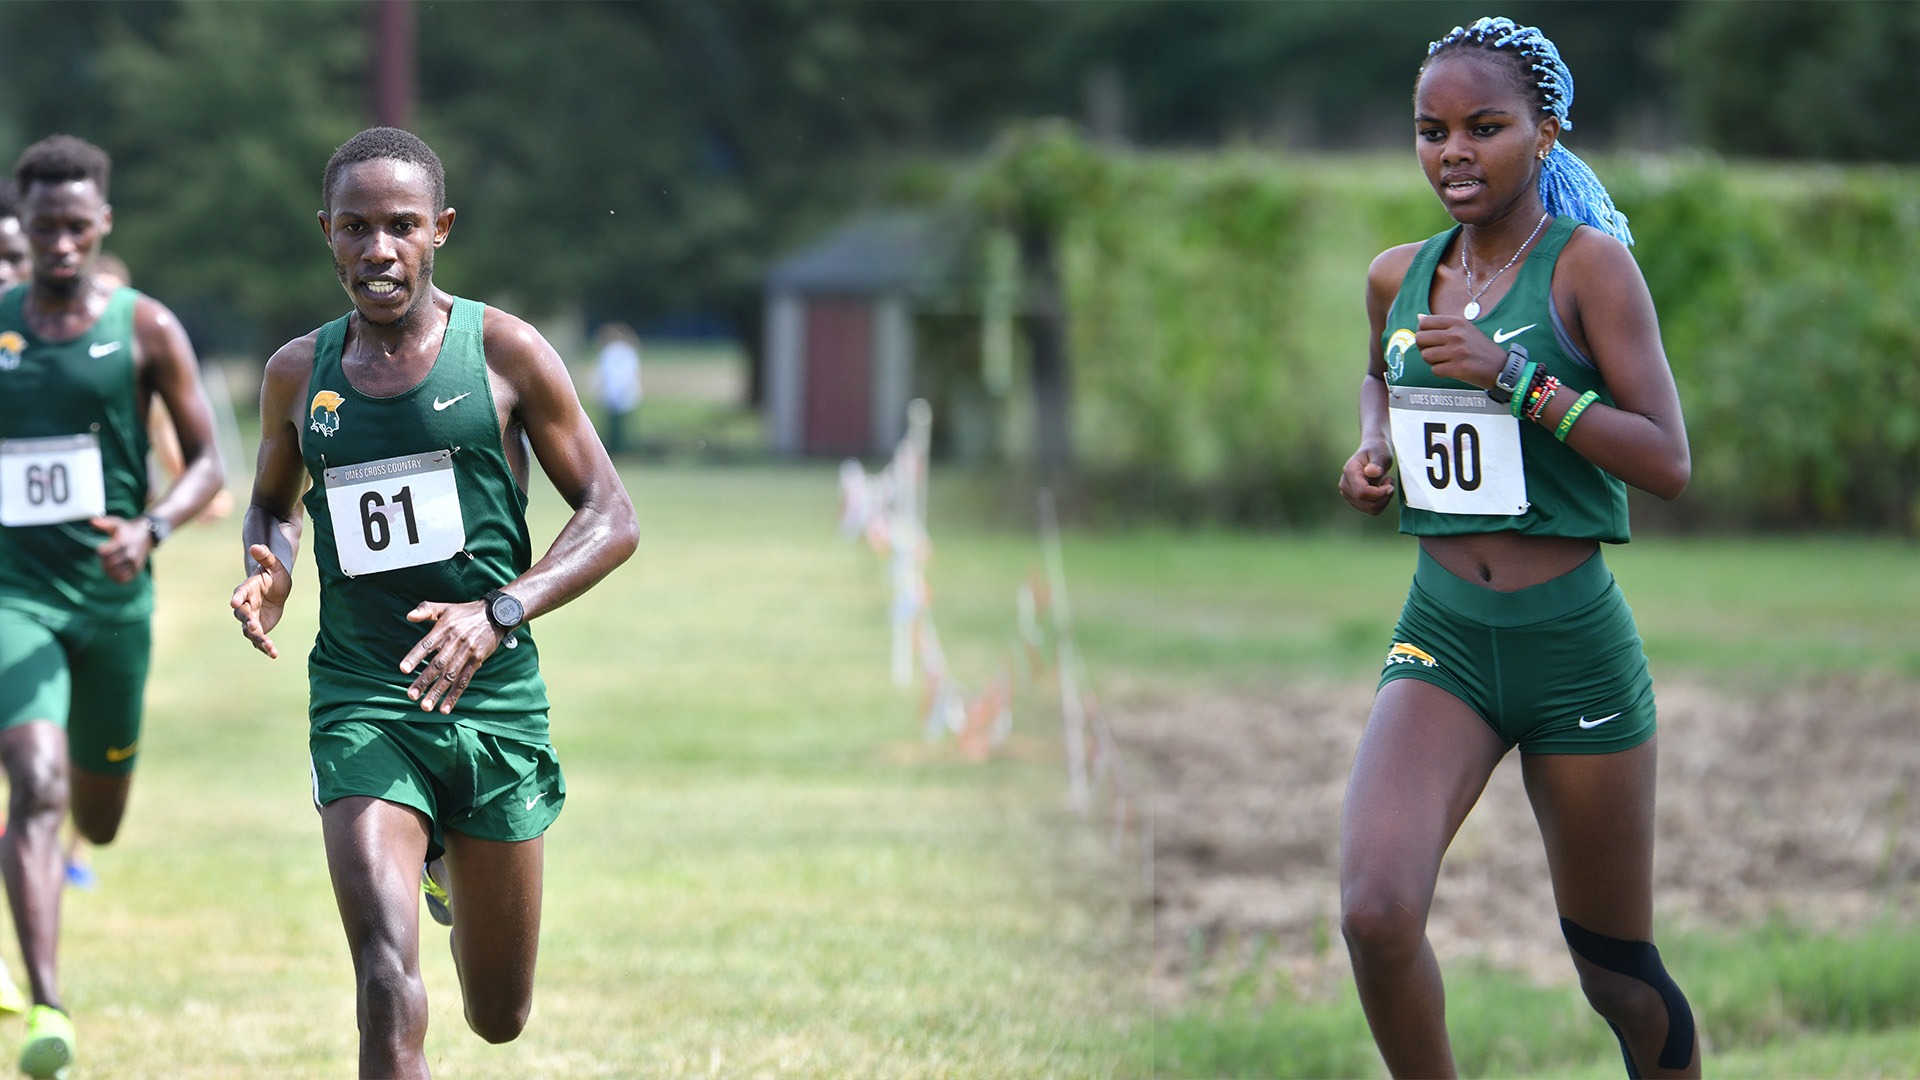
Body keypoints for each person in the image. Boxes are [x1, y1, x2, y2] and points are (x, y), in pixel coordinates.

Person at [229, 126, 637, 1078]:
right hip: (365, 695)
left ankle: (452, 859)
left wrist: (498, 612)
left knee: (498, 1016)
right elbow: (269, 502)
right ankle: (414, 857)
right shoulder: (297, 374)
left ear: (440, 229)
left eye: (403, 225)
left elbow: (611, 517)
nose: (380, 248)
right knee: (383, 971)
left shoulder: (504, 352)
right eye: (357, 227)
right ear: (327, 233)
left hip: (491, 699)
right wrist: (273, 566)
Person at [1335, 18, 1697, 1079]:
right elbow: (1378, 374)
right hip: (1443, 633)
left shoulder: (1593, 271)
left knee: (1617, 977)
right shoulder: (1395, 274)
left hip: (1572, 644)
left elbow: (1667, 461)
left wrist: (1517, 380)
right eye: (1431, 130)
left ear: (1544, 133)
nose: (1454, 152)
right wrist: (1370, 449)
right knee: (1375, 912)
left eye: (1483, 127)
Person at [0, 134, 225, 1077]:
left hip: (117, 604)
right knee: (37, 785)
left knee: (99, 806)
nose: (59, 243)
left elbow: (212, 460)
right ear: (26, 225)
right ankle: (48, 1006)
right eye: (42, 227)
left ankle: (84, 826)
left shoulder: (146, 327)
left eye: (75, 227)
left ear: (103, 227)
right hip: (17, 599)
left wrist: (153, 529)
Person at [589, 321, 642, 456]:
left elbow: (623, 374)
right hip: (613, 394)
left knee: (619, 427)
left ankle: (619, 452)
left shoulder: (620, 352)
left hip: (621, 393)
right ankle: (613, 452)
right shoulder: (617, 352)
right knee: (612, 427)